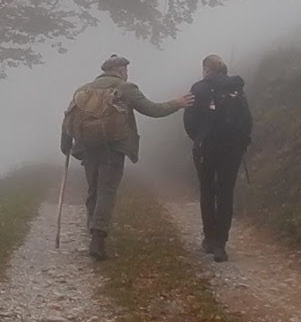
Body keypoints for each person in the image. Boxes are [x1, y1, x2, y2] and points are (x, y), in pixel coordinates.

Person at [61, 54, 194, 260]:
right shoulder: (126, 88)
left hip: (87, 147)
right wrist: (177, 103)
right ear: (121, 70)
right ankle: (98, 236)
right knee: (107, 190)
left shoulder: (83, 89)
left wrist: (65, 143)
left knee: (93, 189)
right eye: (125, 69)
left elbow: (69, 116)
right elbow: (153, 110)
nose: (126, 73)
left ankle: (92, 230)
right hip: (113, 148)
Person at [183, 54, 253, 262]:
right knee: (226, 193)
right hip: (232, 149)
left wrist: (197, 139)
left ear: (206, 69)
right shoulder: (236, 88)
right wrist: (241, 143)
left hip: (206, 148)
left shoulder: (198, 88)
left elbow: (189, 120)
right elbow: (247, 120)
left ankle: (209, 239)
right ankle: (221, 244)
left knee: (207, 191)